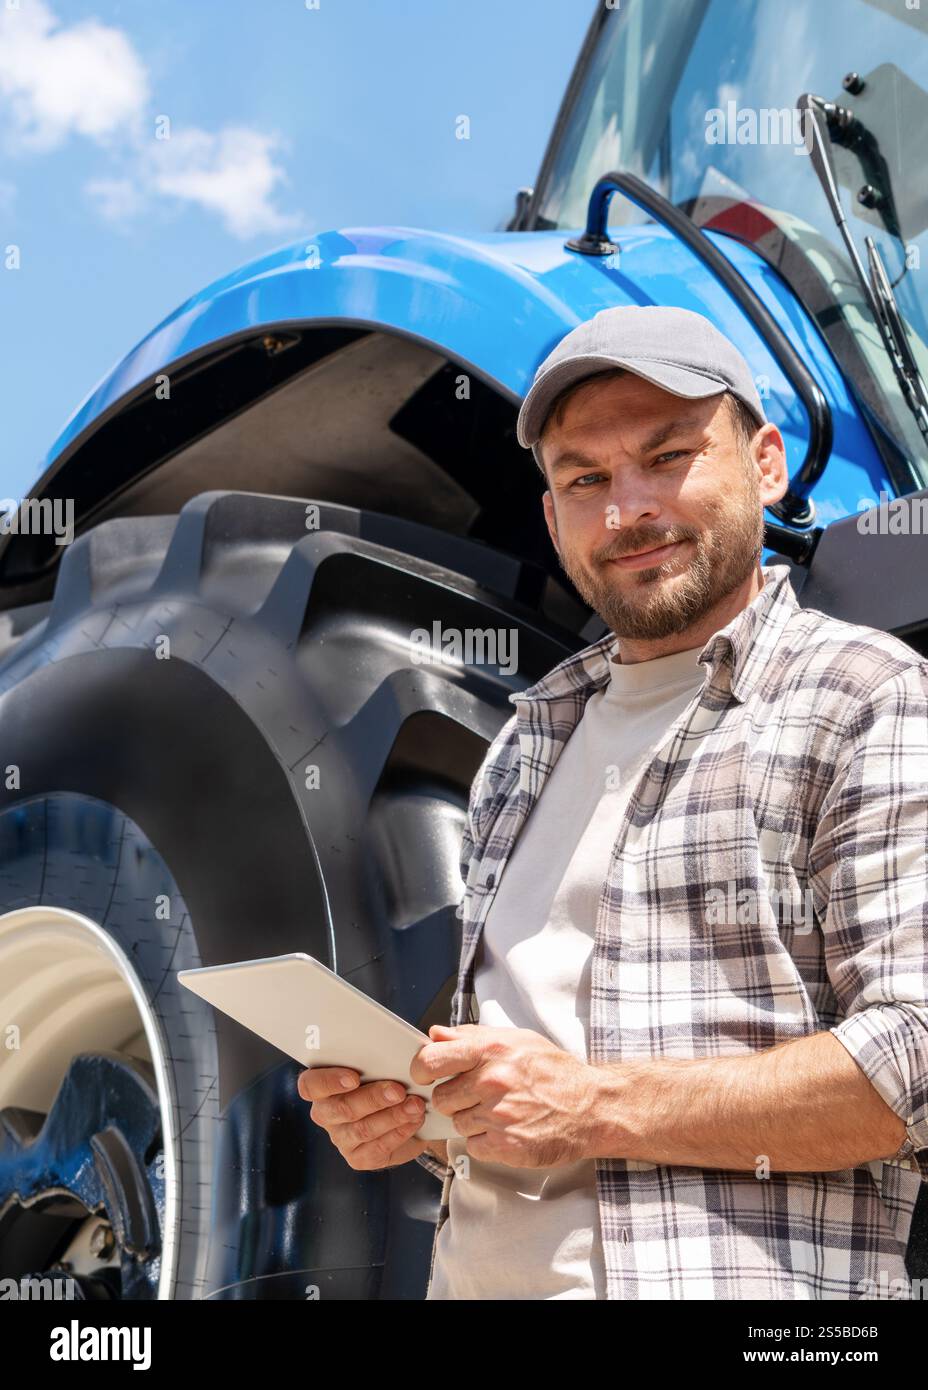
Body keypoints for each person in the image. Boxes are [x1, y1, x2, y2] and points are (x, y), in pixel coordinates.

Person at [299, 305, 928, 1300]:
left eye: (666, 454)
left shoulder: (863, 693)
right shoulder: (524, 742)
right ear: (550, 517)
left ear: (765, 465)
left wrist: (591, 1105)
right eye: (582, 479)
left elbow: (911, 1067)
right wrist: (420, 1116)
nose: (624, 508)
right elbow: (541, 1109)